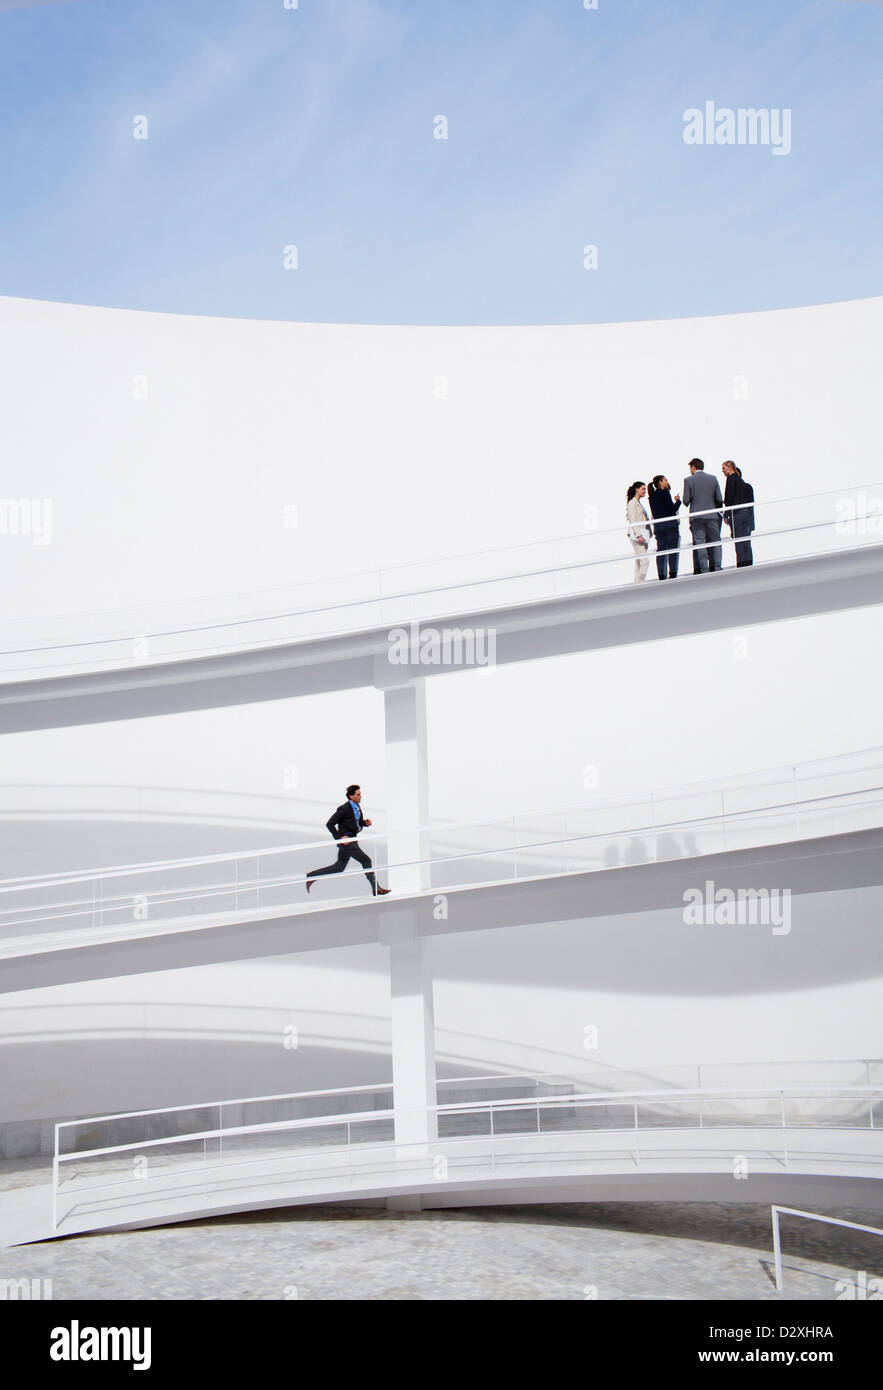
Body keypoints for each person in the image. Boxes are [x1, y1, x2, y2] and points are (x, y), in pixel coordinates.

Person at [306, 784, 391, 896]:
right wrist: (339, 838)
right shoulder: (344, 809)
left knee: (339, 867)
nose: (361, 796)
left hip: (352, 840)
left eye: (360, 794)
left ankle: (312, 875)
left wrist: (365, 823)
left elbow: (355, 823)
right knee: (366, 861)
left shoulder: (356, 807)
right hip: (348, 843)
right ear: (351, 796)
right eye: (358, 794)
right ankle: (376, 888)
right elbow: (330, 824)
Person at [682, 458, 723, 572]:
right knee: (716, 541)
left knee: (700, 543)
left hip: (697, 517)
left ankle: (704, 568)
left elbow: (686, 501)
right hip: (712, 516)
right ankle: (717, 566)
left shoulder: (688, 480)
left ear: (693, 467)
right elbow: (719, 498)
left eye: (690, 468)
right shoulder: (713, 479)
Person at [722, 460, 755, 567]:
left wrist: (726, 514)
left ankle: (741, 565)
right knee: (746, 542)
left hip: (737, 515)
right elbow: (751, 506)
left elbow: (729, 498)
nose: (723, 471)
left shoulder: (731, 479)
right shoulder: (747, 486)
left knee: (739, 543)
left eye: (724, 468)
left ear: (730, 468)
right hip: (747, 516)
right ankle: (749, 564)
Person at [647, 475, 681, 579]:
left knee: (661, 551)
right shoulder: (665, 493)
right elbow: (671, 509)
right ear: (660, 482)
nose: (667, 482)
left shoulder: (652, 496)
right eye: (665, 480)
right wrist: (678, 501)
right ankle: (673, 573)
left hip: (659, 528)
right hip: (670, 526)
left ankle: (661, 574)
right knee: (672, 551)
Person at [626, 481, 651, 582]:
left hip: (642, 535)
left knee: (638, 562)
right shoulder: (632, 503)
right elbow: (632, 520)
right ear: (637, 489)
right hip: (637, 536)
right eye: (643, 489)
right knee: (645, 561)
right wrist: (638, 535)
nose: (645, 491)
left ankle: (637, 584)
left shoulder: (638, 503)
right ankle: (641, 582)